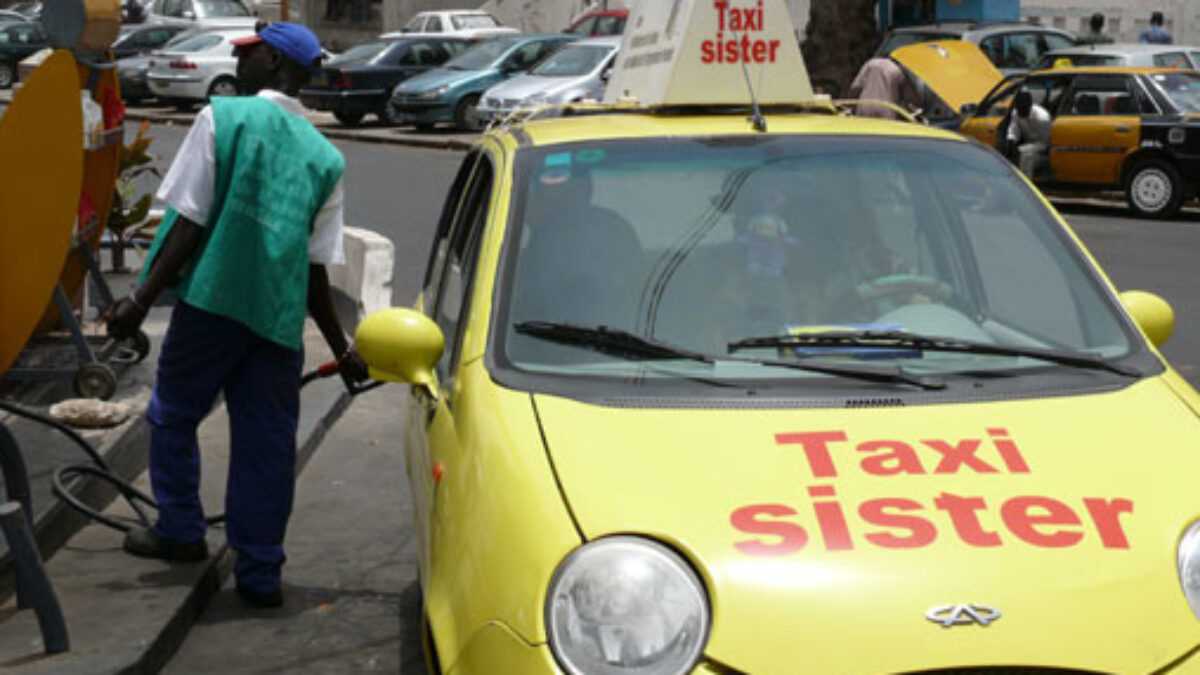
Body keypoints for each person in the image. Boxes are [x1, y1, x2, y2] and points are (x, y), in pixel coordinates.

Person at [106, 21, 368, 609]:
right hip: (275, 320)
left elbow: (191, 220)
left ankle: (179, 531)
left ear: (274, 62)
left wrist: (139, 299)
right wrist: (341, 348)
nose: (238, 61)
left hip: (213, 302)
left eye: (249, 54)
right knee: (266, 445)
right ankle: (260, 573)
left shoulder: (223, 118)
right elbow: (315, 266)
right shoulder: (325, 157)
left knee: (173, 414)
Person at [847, 57, 921, 120]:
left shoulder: (870, 64)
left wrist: (850, 106)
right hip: (887, 110)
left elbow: (855, 89)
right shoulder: (897, 70)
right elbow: (911, 97)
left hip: (864, 107)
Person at [1006, 91, 1052, 178]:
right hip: (1028, 145)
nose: (1021, 112)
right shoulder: (1016, 113)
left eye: (1023, 109)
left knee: (1026, 154)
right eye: (1019, 109)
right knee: (1020, 153)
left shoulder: (1042, 118)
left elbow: (1045, 143)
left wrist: (1023, 149)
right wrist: (1011, 141)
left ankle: (1026, 181)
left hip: (1042, 147)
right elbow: (1014, 130)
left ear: (1030, 106)